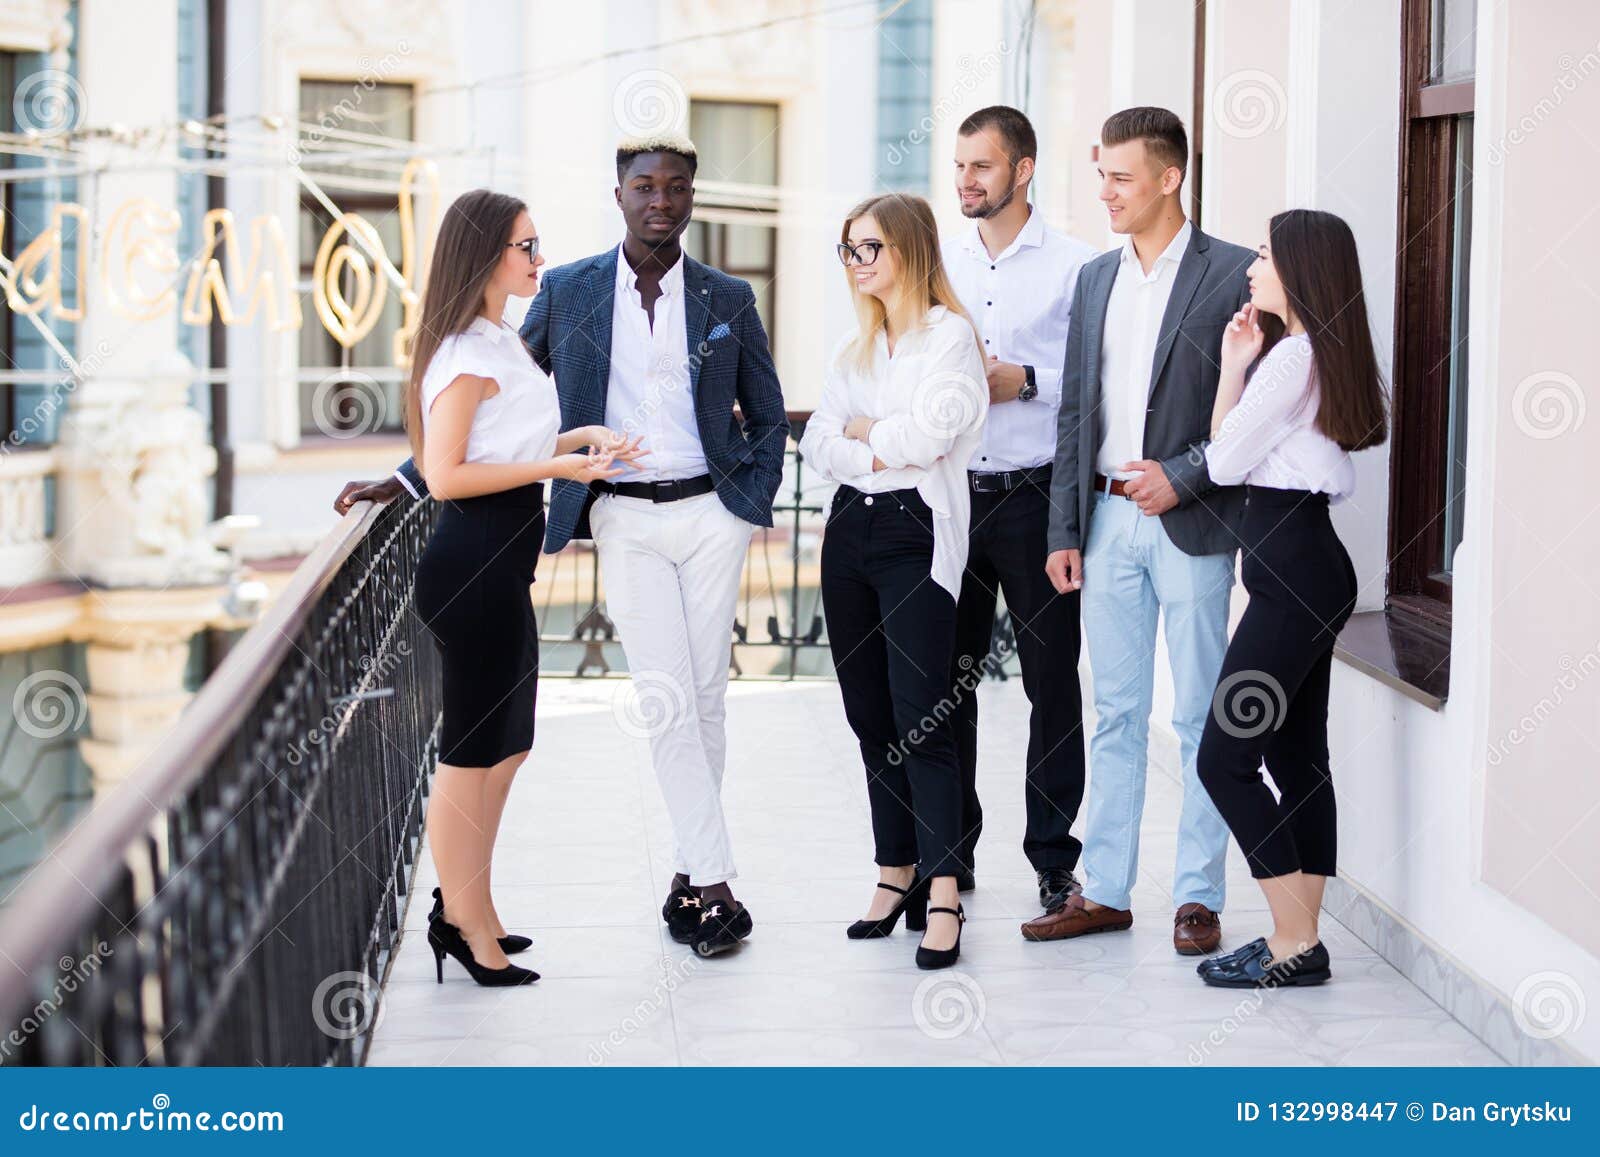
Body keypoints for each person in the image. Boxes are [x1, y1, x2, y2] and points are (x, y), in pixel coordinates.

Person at [337, 134, 789, 960]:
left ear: (692, 197)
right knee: (665, 693)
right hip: (621, 515)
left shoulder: (728, 296)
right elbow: (487, 405)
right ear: (618, 195)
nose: (661, 200)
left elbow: (768, 411)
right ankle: (719, 886)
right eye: (645, 186)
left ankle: (691, 875)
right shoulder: (572, 290)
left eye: (677, 187)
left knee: (708, 700)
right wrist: (404, 480)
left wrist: (745, 504)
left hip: (710, 514)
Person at [1030, 107, 1252, 955]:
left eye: (1122, 177)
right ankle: (1108, 890)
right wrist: (1066, 526)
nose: (1107, 192)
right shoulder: (1094, 279)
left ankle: (1197, 894)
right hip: (1105, 517)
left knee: (1199, 714)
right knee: (1116, 712)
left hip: (1192, 522)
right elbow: (1074, 409)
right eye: (1102, 176)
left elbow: (1250, 417)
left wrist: (1183, 476)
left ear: (1170, 178)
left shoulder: (1232, 272)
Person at [405, 189, 640, 986]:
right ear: (484, 255)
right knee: (470, 755)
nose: (540, 260)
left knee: (508, 747)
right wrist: (555, 467)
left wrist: (580, 438)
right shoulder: (464, 353)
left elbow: (513, 437)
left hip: (501, 561)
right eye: (525, 247)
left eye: (539, 245)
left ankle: (476, 906)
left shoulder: (497, 338)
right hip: (469, 565)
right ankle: (462, 924)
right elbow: (443, 475)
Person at [1194, 209, 1387, 988]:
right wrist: (1237, 364)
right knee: (1292, 754)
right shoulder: (1312, 354)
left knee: (1224, 756)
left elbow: (1222, 459)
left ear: (1301, 268)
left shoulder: (1293, 359)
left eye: (1265, 255)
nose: (1251, 268)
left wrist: (1238, 372)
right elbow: (1231, 451)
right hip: (1303, 564)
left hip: (1294, 569)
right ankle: (1296, 935)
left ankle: (1293, 940)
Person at [799, 193, 987, 970]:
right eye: (848, 250)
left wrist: (867, 433)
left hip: (915, 532)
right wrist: (873, 445)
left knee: (922, 716)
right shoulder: (858, 347)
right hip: (849, 530)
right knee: (869, 712)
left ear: (907, 248)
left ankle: (943, 889)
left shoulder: (952, 341)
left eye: (868, 247)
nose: (856, 262)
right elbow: (816, 439)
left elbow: (931, 438)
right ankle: (895, 869)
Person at [941, 105, 1096, 918]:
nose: (966, 180)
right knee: (948, 680)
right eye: (960, 165)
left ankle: (1053, 861)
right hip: (954, 495)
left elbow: (1103, 383)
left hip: (1038, 497)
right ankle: (950, 856)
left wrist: (1027, 380)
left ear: (1023, 169)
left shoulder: (1078, 266)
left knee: (1052, 686)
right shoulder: (937, 264)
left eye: (982, 166)